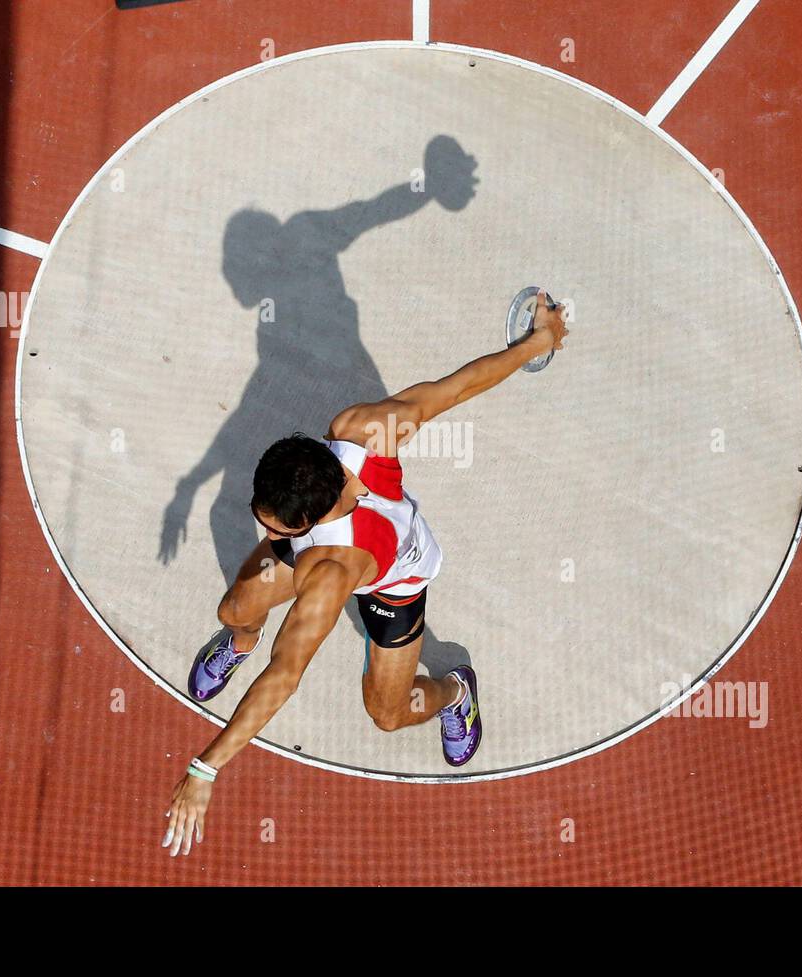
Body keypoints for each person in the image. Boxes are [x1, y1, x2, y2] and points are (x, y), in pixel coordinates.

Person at [162, 296, 568, 856]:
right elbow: (453, 388)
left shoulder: (329, 574)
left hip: (392, 582)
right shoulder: (357, 430)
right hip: (314, 545)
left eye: (271, 522)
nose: (261, 523)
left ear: (305, 521)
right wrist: (536, 343)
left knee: (388, 713)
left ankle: (455, 693)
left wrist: (205, 768)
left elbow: (285, 674)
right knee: (234, 609)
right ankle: (239, 640)